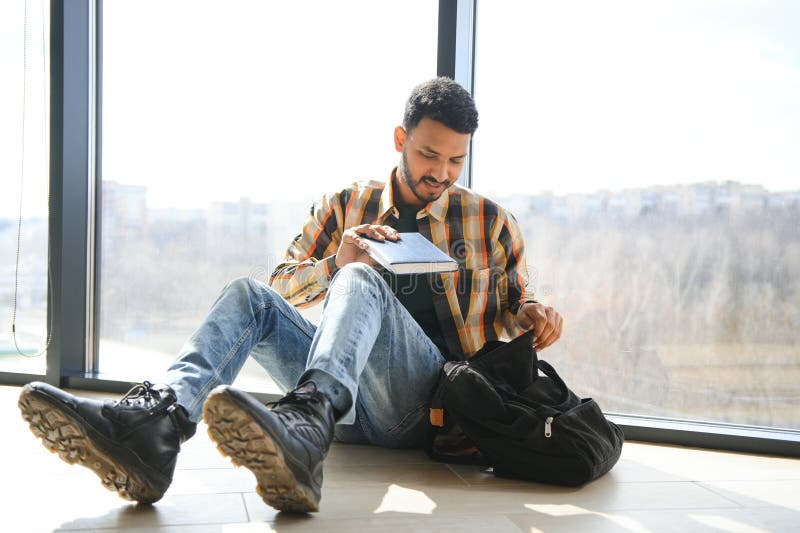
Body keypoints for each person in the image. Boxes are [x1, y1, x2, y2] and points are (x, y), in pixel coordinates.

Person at [18, 77, 564, 513]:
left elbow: (517, 303)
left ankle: (306, 425)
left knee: (361, 281)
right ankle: (154, 430)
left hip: (429, 410)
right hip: (341, 406)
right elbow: (283, 284)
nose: (440, 173)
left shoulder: (490, 222)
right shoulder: (345, 204)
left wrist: (533, 314)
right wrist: (334, 262)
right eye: (428, 156)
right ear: (400, 140)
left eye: (455, 161)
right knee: (248, 294)